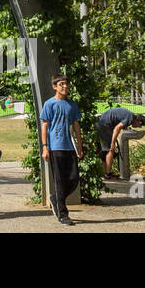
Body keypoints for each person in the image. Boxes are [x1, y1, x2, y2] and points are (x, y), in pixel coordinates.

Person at [39, 74, 84, 226]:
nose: (65, 87)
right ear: (55, 86)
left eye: (66, 84)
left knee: (73, 179)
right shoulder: (49, 104)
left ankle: (55, 199)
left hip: (69, 147)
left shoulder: (72, 105)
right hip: (54, 148)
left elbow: (76, 126)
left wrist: (79, 145)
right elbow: (44, 126)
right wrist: (45, 147)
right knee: (59, 181)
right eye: (61, 84)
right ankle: (63, 214)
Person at [96, 106, 145, 177]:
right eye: (139, 126)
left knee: (104, 152)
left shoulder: (130, 115)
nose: (138, 127)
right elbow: (117, 128)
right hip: (105, 126)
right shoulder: (130, 118)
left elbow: (119, 122)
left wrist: (125, 128)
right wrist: (113, 143)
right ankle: (108, 174)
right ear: (139, 122)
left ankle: (104, 174)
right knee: (110, 150)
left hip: (100, 123)